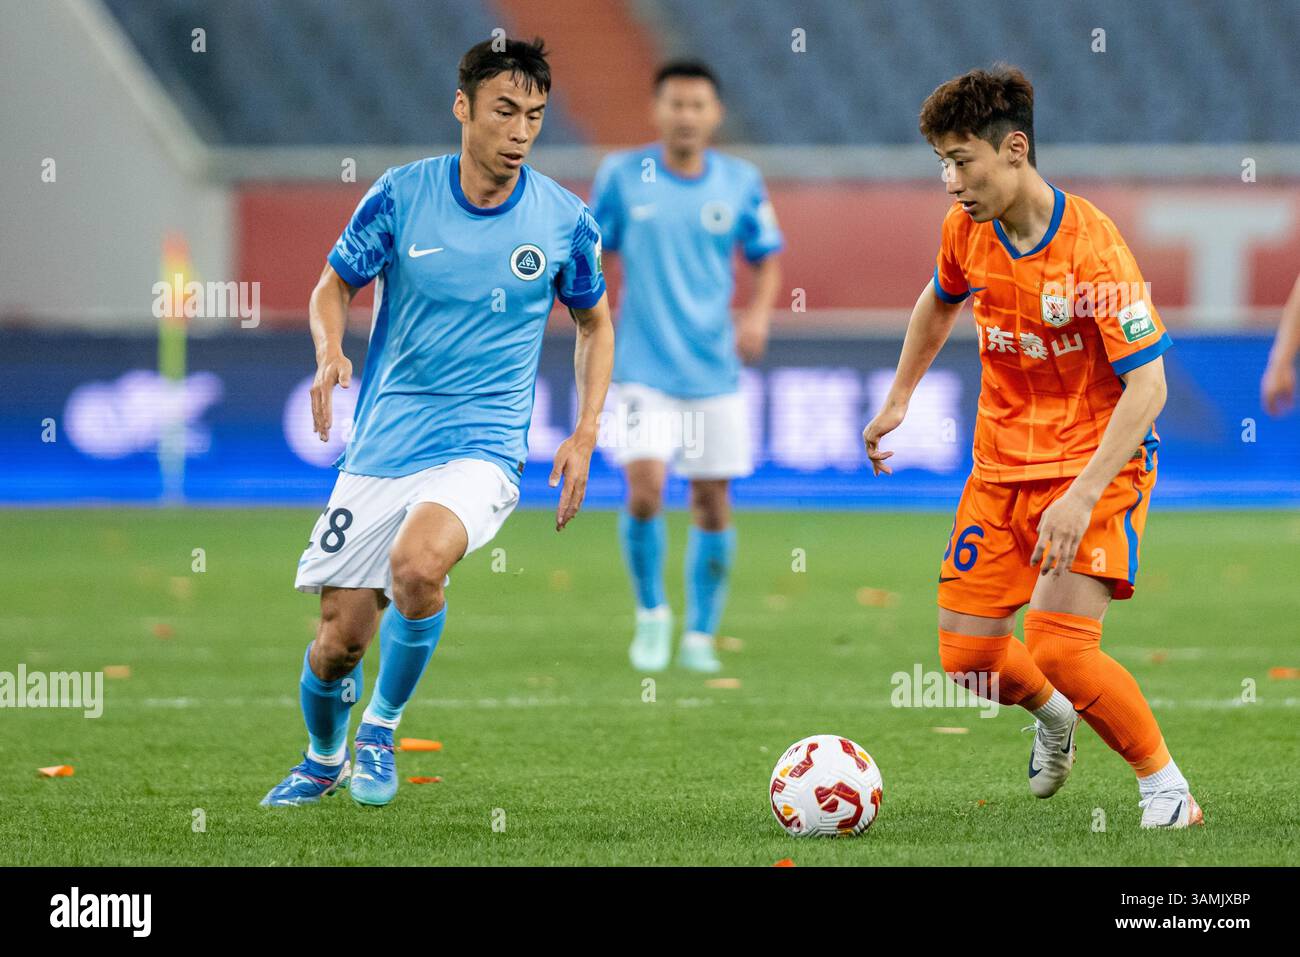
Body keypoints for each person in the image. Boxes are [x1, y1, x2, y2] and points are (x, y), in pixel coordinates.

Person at [261, 37, 614, 808]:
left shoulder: (563, 220)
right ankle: (324, 757)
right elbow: (333, 284)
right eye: (504, 111)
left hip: (482, 445)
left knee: (420, 566)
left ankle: (381, 728)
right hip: (385, 441)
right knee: (337, 641)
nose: (521, 131)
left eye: (535, 116)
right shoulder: (400, 196)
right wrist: (329, 351)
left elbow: (594, 323)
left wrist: (586, 430)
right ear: (463, 109)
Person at [863, 66, 1201, 828]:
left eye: (962, 160)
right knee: (967, 661)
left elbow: (1149, 389)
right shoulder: (966, 229)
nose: (950, 181)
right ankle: (1055, 718)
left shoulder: (1094, 251)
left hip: (1094, 466)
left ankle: (1167, 789)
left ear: (1014, 149)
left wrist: (1080, 497)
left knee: (1059, 646)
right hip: (999, 467)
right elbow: (938, 297)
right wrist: (899, 396)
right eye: (942, 164)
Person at [590, 61, 783, 673]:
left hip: (714, 371)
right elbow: (593, 250)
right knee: (644, 490)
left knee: (711, 502)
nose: (686, 115)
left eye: (698, 105)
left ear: (714, 114)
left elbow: (766, 256)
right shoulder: (623, 175)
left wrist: (756, 316)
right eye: (676, 104)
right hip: (643, 366)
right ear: (658, 110)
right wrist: (582, 313)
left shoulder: (740, 180)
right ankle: (652, 615)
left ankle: (701, 634)